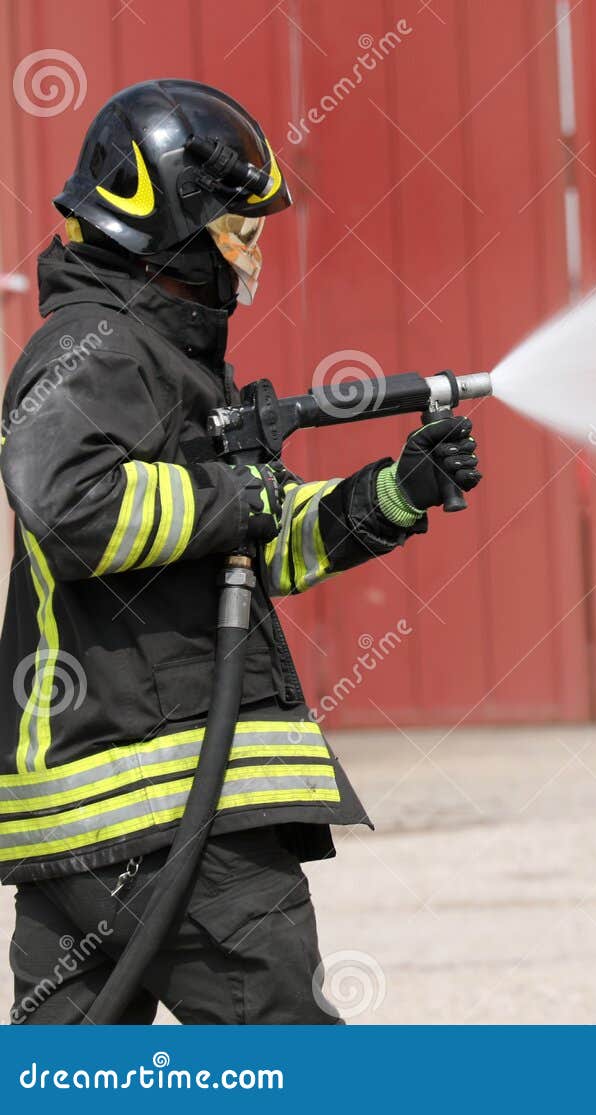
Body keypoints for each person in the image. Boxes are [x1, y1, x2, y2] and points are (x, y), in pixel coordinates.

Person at [0, 80, 482, 1024]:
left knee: (73, 1079)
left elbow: (251, 547)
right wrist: (242, 494)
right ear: (171, 223)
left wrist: (395, 492)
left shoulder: (162, 354)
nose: (249, 253)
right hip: (175, 801)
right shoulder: (95, 345)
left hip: (113, 818)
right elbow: (67, 502)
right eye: (233, 228)